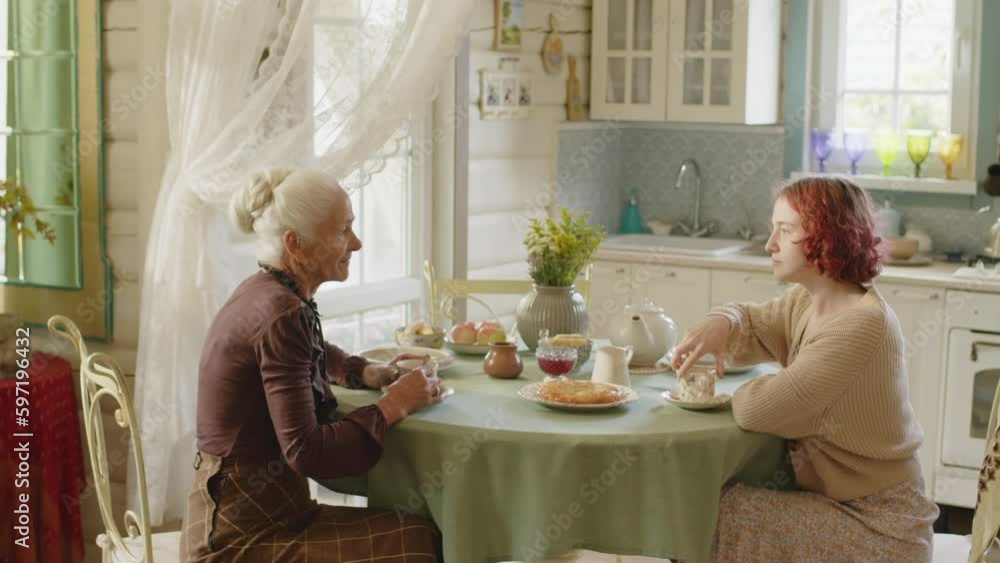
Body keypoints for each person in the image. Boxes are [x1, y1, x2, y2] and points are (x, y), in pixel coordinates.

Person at [182, 168, 448, 562]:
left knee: (419, 530)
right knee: (422, 543)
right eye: (342, 231)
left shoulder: (266, 292)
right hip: (238, 542)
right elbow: (307, 451)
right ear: (296, 244)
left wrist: (362, 371)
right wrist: (396, 404)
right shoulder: (281, 312)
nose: (356, 243)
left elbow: (309, 349)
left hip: (265, 515)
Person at [671, 177, 939, 561]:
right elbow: (755, 323)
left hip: (880, 529)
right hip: (842, 505)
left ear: (825, 236)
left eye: (785, 230)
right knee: (716, 501)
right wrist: (724, 320)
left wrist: (759, 386)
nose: (770, 244)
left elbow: (755, 410)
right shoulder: (809, 300)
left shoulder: (860, 325)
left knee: (711, 512)